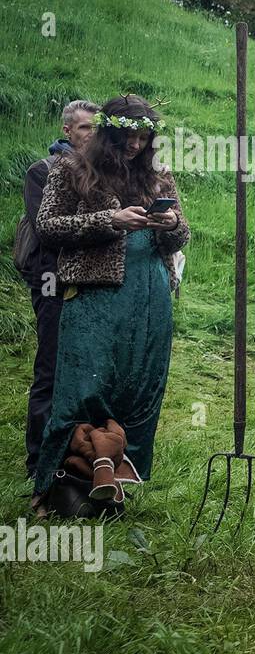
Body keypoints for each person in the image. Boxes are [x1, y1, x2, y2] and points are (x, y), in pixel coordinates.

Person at [31, 95, 189, 512]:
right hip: (95, 294)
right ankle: (62, 487)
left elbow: (180, 237)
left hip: (151, 292)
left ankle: (116, 485)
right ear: (108, 132)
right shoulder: (73, 168)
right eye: (127, 136)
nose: (135, 145)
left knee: (138, 388)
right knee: (85, 387)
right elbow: (48, 225)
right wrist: (110, 221)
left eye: (143, 137)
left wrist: (170, 224)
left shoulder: (158, 174)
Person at [18, 99, 99, 478]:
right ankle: (38, 463)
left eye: (96, 128)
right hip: (52, 281)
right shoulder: (43, 171)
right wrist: (102, 225)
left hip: (89, 284)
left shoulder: (101, 172)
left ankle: (80, 456)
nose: (91, 135)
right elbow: (47, 232)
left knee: (87, 371)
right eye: (84, 128)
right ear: (67, 130)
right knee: (50, 369)